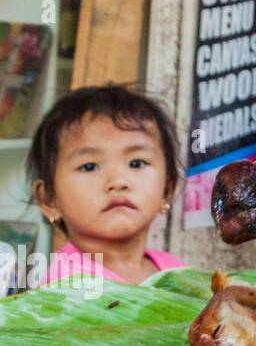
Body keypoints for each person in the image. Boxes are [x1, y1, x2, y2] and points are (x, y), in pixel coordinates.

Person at [28, 85, 186, 286]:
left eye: (136, 163)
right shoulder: (64, 287)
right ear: (49, 199)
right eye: (89, 166)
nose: (118, 182)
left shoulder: (174, 270)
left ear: (167, 189)